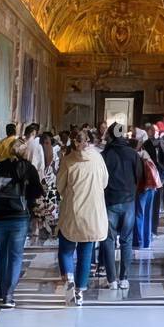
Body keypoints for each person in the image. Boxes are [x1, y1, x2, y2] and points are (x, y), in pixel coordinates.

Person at [56, 129, 109, 304]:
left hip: (72, 210)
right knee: (86, 251)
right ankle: (79, 291)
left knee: (65, 249)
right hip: (92, 212)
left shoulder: (68, 160)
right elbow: (104, 182)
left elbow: (60, 186)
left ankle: (69, 278)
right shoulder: (98, 158)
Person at [0, 149, 43, 307]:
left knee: (1, 254)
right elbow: (37, 191)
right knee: (16, 256)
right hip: (19, 217)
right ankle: (8, 295)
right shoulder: (29, 168)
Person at [100, 122, 144, 290]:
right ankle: (124, 278)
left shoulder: (105, 155)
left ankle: (111, 280)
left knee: (109, 240)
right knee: (126, 240)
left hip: (110, 201)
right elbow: (139, 175)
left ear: (110, 135)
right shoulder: (133, 154)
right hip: (128, 201)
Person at [134, 136, 162, 248]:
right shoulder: (148, 155)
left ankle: (139, 241)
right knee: (148, 215)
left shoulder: (138, 157)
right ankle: (147, 241)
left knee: (139, 214)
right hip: (152, 188)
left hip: (142, 189)